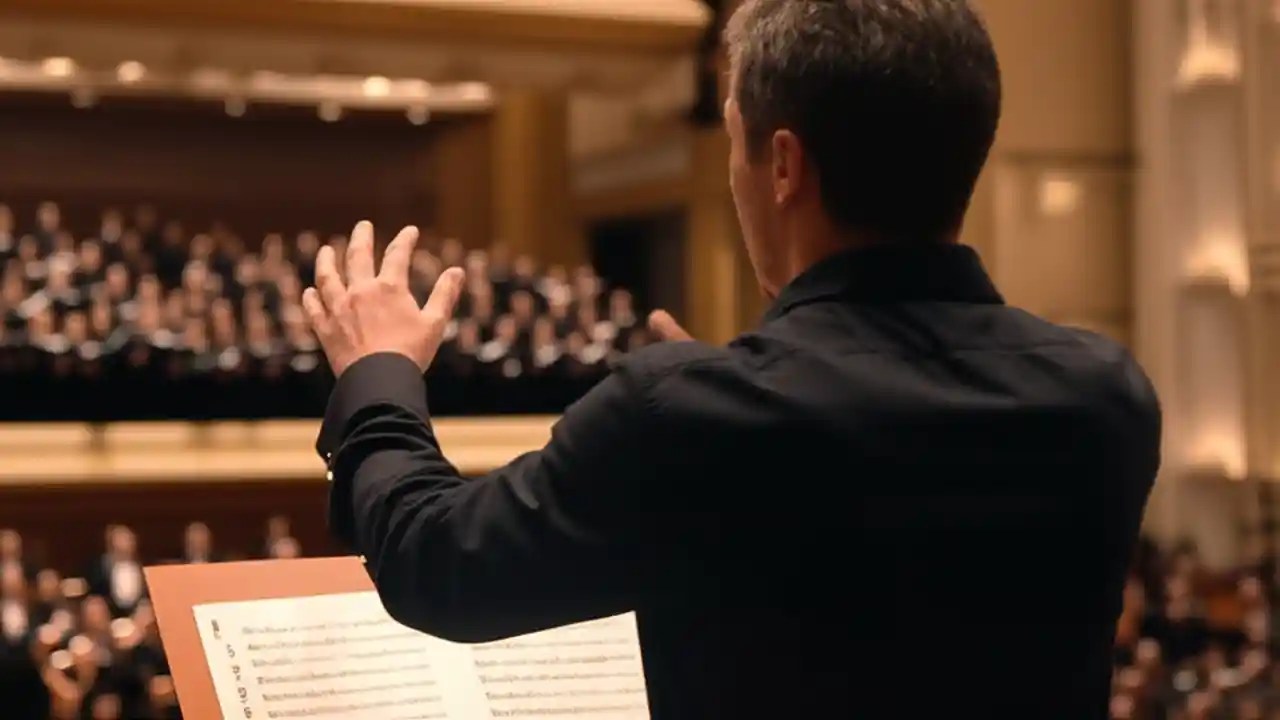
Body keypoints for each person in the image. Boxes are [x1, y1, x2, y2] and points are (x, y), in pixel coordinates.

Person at [303, 1, 1161, 717]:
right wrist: (720, 414)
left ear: (782, 164)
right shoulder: (1104, 397)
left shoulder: (689, 419)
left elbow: (436, 564)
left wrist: (378, 373)